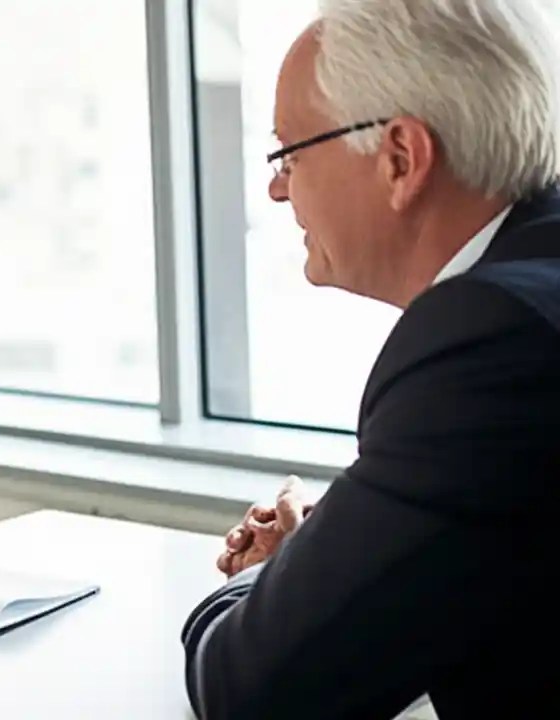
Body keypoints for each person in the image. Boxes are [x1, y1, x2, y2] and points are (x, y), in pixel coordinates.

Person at [181, 1, 560, 717]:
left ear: (401, 159)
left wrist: (275, 581)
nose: (277, 187)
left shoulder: (487, 343)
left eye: (290, 153)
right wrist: (349, 549)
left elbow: (253, 692)